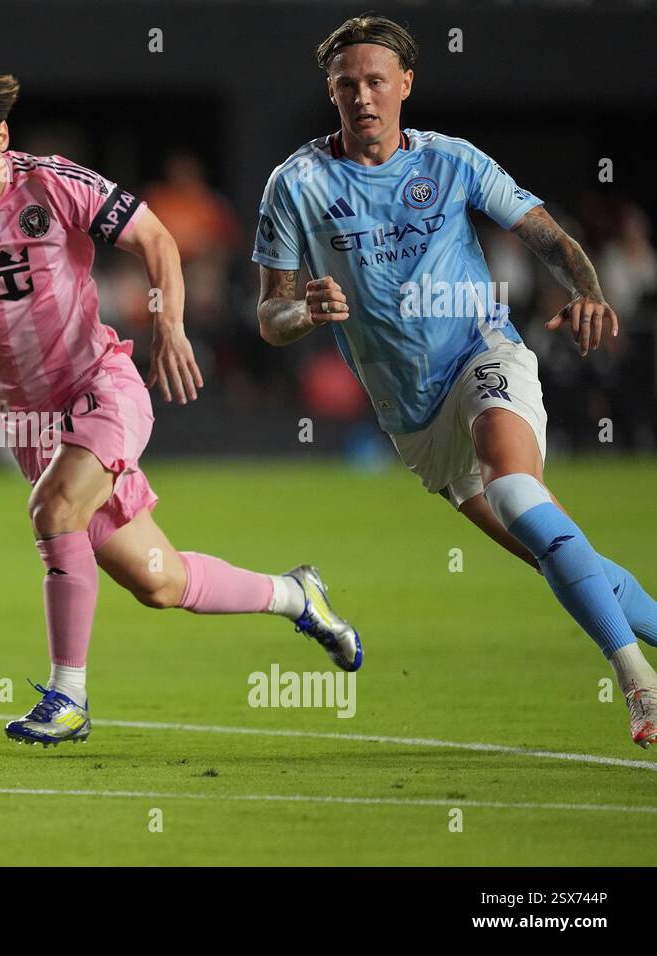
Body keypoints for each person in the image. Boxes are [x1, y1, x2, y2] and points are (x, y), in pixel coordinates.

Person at [0, 62, 361, 747]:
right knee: (160, 581)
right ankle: (296, 596)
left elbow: (156, 237)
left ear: (0, 135)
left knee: (51, 509)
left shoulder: (52, 182)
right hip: (31, 426)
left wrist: (166, 325)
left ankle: (67, 697)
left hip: (101, 385)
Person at [252, 15, 657, 748]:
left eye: (377, 81)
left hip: (483, 356)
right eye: (348, 84)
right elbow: (270, 315)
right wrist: (303, 311)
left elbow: (552, 238)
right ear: (332, 92)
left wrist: (588, 290)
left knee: (516, 488)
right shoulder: (296, 184)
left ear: (406, 84)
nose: (363, 97)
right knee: (563, 557)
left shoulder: (452, 162)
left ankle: (636, 683)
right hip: (412, 419)